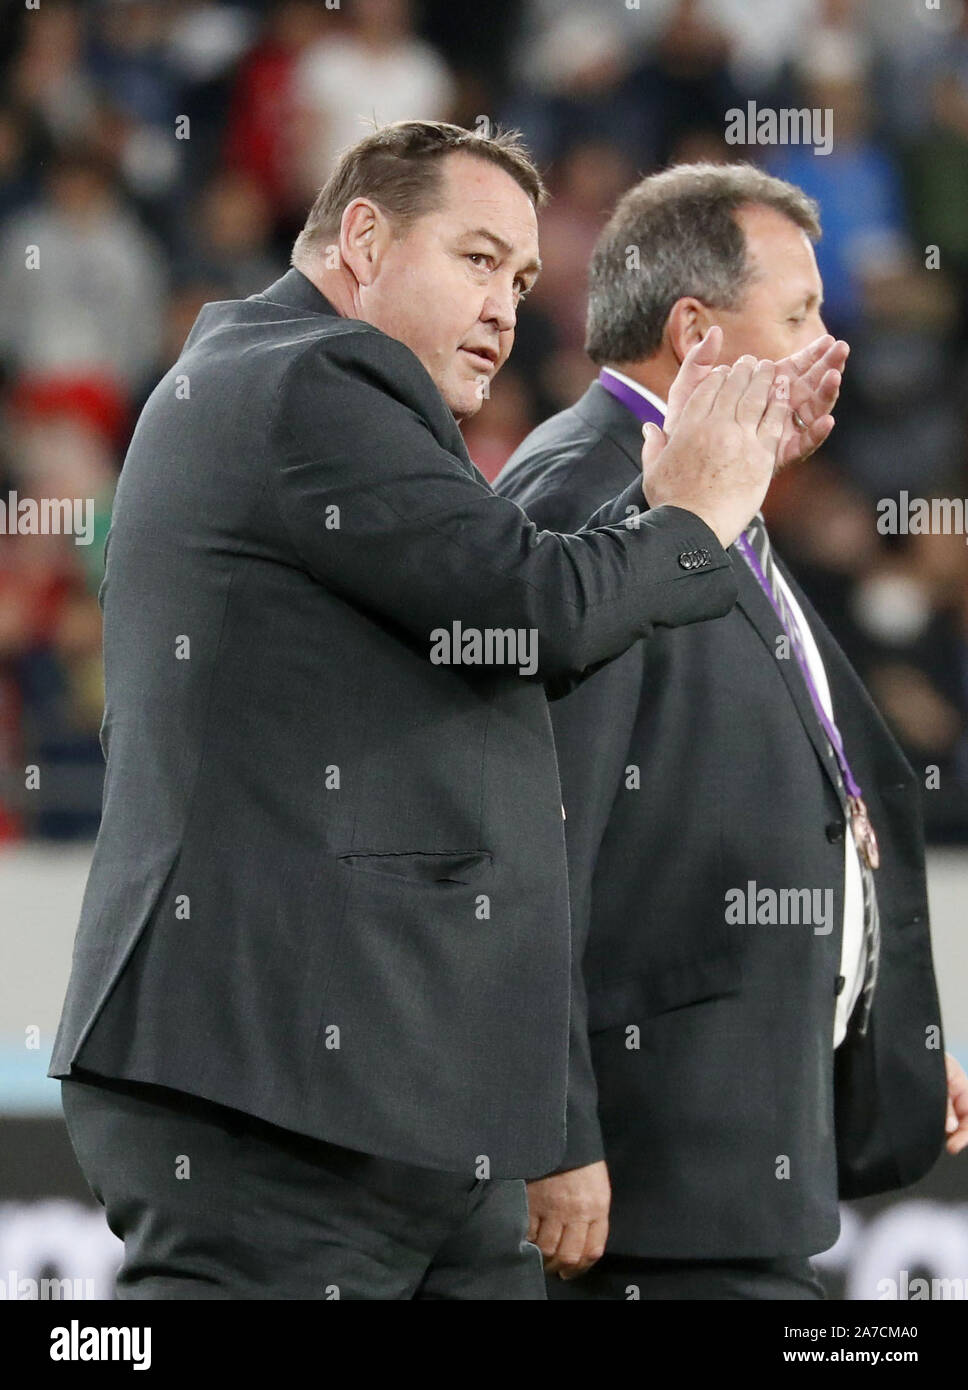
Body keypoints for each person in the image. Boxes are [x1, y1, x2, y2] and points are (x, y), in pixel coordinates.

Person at [45, 125, 832, 1301]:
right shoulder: (308, 378)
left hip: (395, 1097)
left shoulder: (318, 396)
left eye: (520, 278)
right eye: (473, 259)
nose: (505, 306)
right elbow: (534, 607)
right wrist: (687, 514)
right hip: (277, 1094)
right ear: (361, 239)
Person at [496, 162, 968, 1301]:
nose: (828, 341)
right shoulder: (582, 492)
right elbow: (530, 841)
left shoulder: (712, 491)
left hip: (728, 1155)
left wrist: (868, 1007)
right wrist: (554, 1128)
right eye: (797, 313)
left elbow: (763, 784)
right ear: (694, 332)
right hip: (652, 1180)